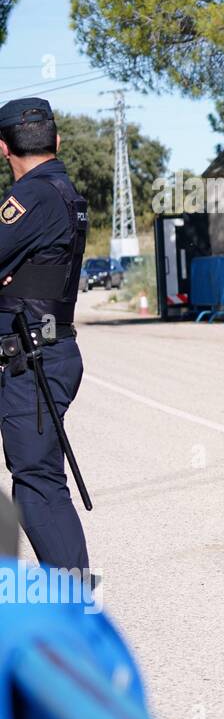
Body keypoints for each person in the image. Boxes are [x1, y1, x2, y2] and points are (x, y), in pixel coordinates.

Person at [0, 97, 89, 572]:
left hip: (31, 358)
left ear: (2, 147)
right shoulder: (64, 191)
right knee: (38, 481)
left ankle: (77, 614)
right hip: (43, 351)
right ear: (56, 139)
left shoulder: (31, 197)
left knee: (37, 486)